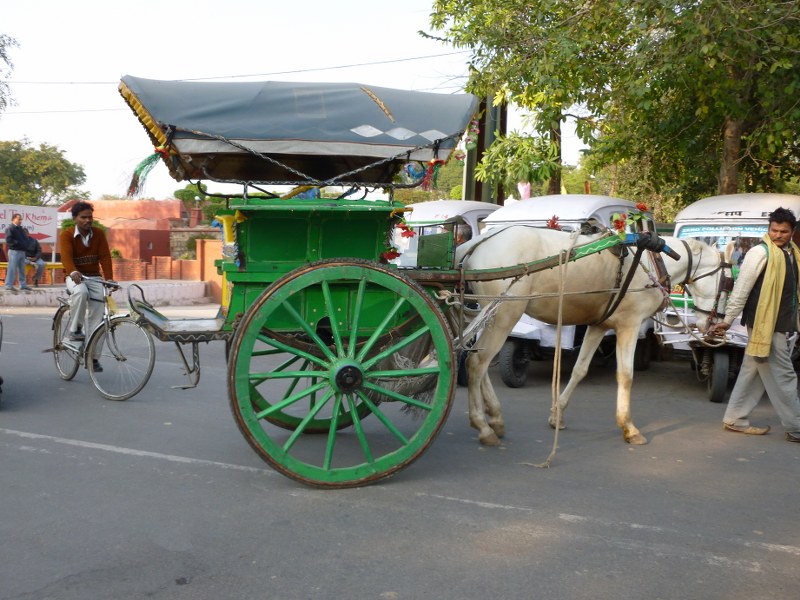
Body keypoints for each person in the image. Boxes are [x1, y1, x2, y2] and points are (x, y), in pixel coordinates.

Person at [707, 207, 800, 443]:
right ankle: (796, 426)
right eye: (774, 230)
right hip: (764, 324)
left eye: (783, 231)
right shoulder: (760, 253)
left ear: (793, 232)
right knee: (785, 375)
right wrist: (727, 320)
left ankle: (735, 418)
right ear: (768, 229)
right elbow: (742, 288)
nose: (778, 235)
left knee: (754, 370)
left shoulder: (793, 254)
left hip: (781, 322)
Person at [59, 201, 114, 372]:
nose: (88, 220)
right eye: (83, 217)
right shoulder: (66, 235)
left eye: (90, 217)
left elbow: (105, 257)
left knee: (99, 318)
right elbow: (66, 257)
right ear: (75, 218)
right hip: (75, 277)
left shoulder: (98, 234)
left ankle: (93, 357)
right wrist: (73, 271)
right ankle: (75, 330)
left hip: (94, 277)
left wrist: (110, 278)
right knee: (81, 292)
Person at [4, 213, 33, 292]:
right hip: (14, 251)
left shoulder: (20, 229)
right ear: (13, 219)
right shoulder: (10, 228)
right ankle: (8, 285)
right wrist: (19, 244)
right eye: (19, 219)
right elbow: (9, 240)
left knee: (22, 269)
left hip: (22, 251)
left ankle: (23, 285)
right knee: (12, 269)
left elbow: (25, 238)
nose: (20, 221)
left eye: (21, 219)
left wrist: (25, 244)